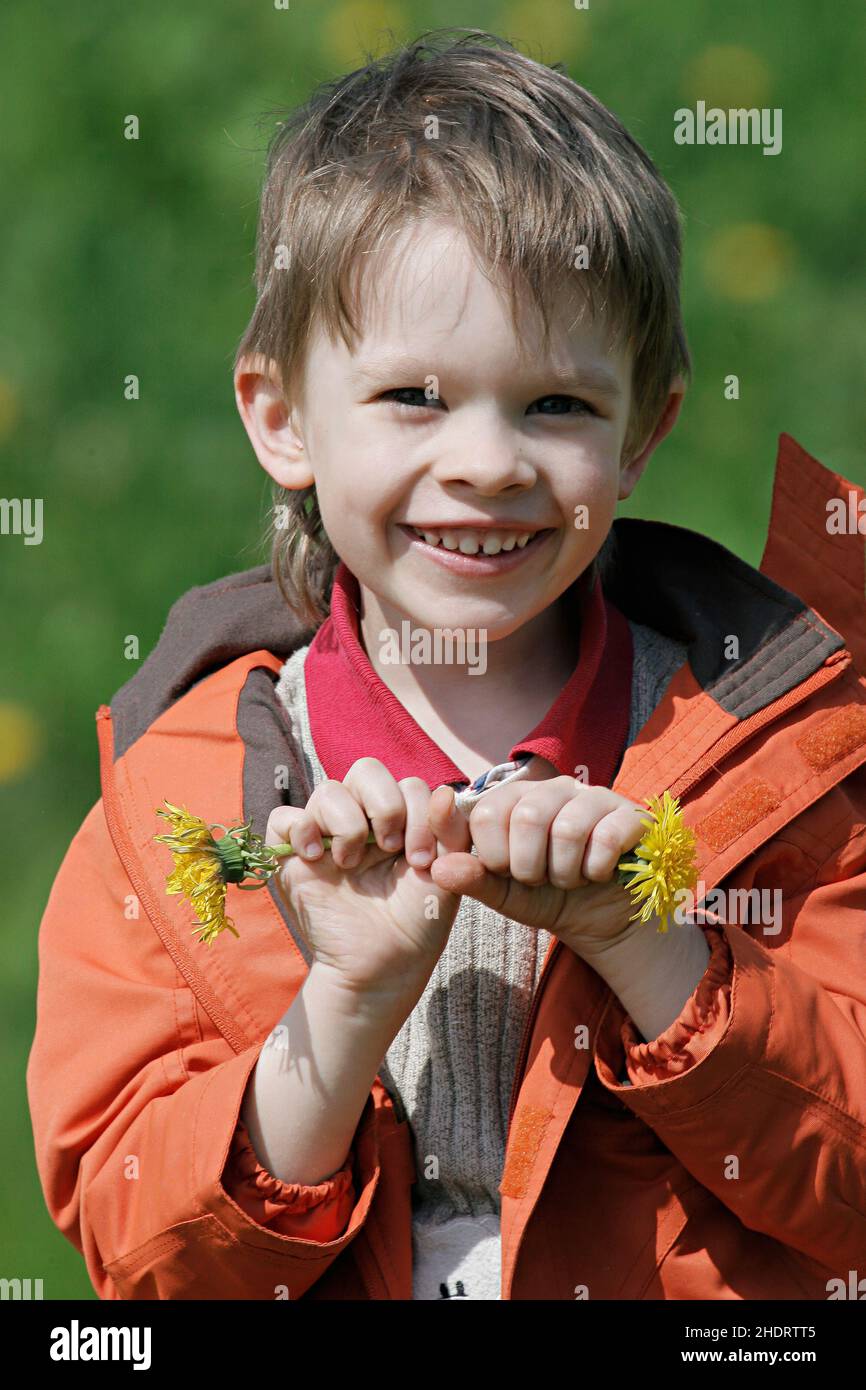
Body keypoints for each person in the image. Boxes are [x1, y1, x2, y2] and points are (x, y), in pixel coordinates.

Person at [27, 30, 866, 1301]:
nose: (487, 463)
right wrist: (345, 1008)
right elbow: (147, 1266)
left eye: (556, 407)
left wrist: (651, 951)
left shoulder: (783, 758)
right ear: (279, 417)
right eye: (414, 396)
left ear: (642, 434)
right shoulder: (176, 808)